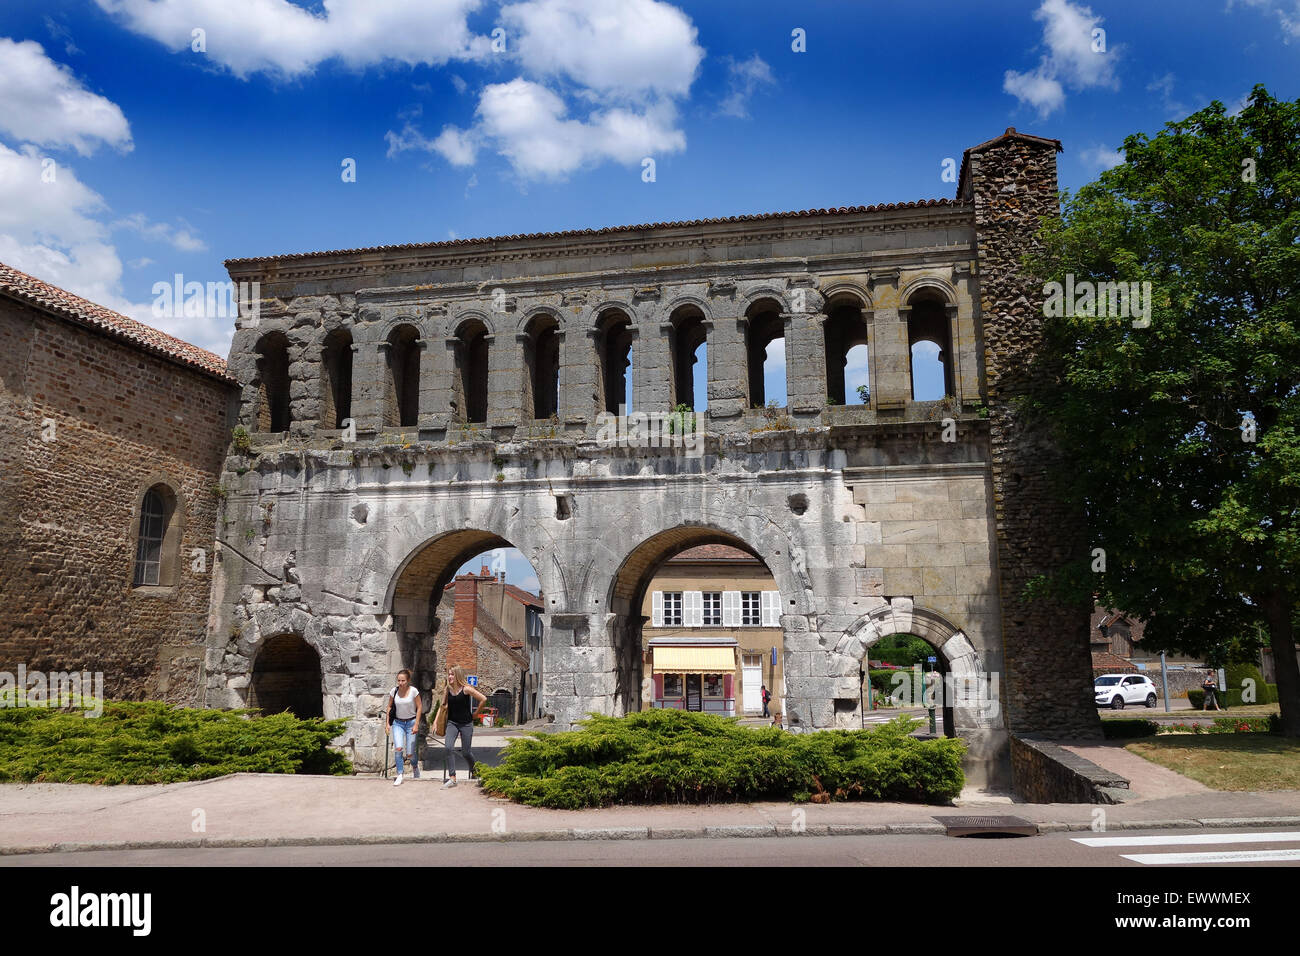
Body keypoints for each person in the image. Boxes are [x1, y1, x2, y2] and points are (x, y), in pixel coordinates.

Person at [440, 666, 487, 788]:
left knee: (466, 752)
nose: (450, 677)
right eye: (449, 674)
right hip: (452, 723)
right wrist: (435, 722)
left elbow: (483, 699)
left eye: (452, 674)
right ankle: (452, 777)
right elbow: (443, 706)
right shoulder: (447, 690)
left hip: (466, 724)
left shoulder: (466, 689)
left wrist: (476, 714)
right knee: (448, 747)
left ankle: (475, 771)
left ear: (458, 676)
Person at [385, 669, 422, 786]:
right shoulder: (394, 691)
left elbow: (420, 707)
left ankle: (415, 766)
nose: (400, 683)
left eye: (403, 681)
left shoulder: (413, 691)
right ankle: (400, 774)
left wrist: (416, 724)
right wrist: (387, 723)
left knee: (410, 753)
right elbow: (389, 707)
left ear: (408, 681)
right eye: (399, 680)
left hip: (411, 722)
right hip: (397, 723)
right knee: (399, 748)